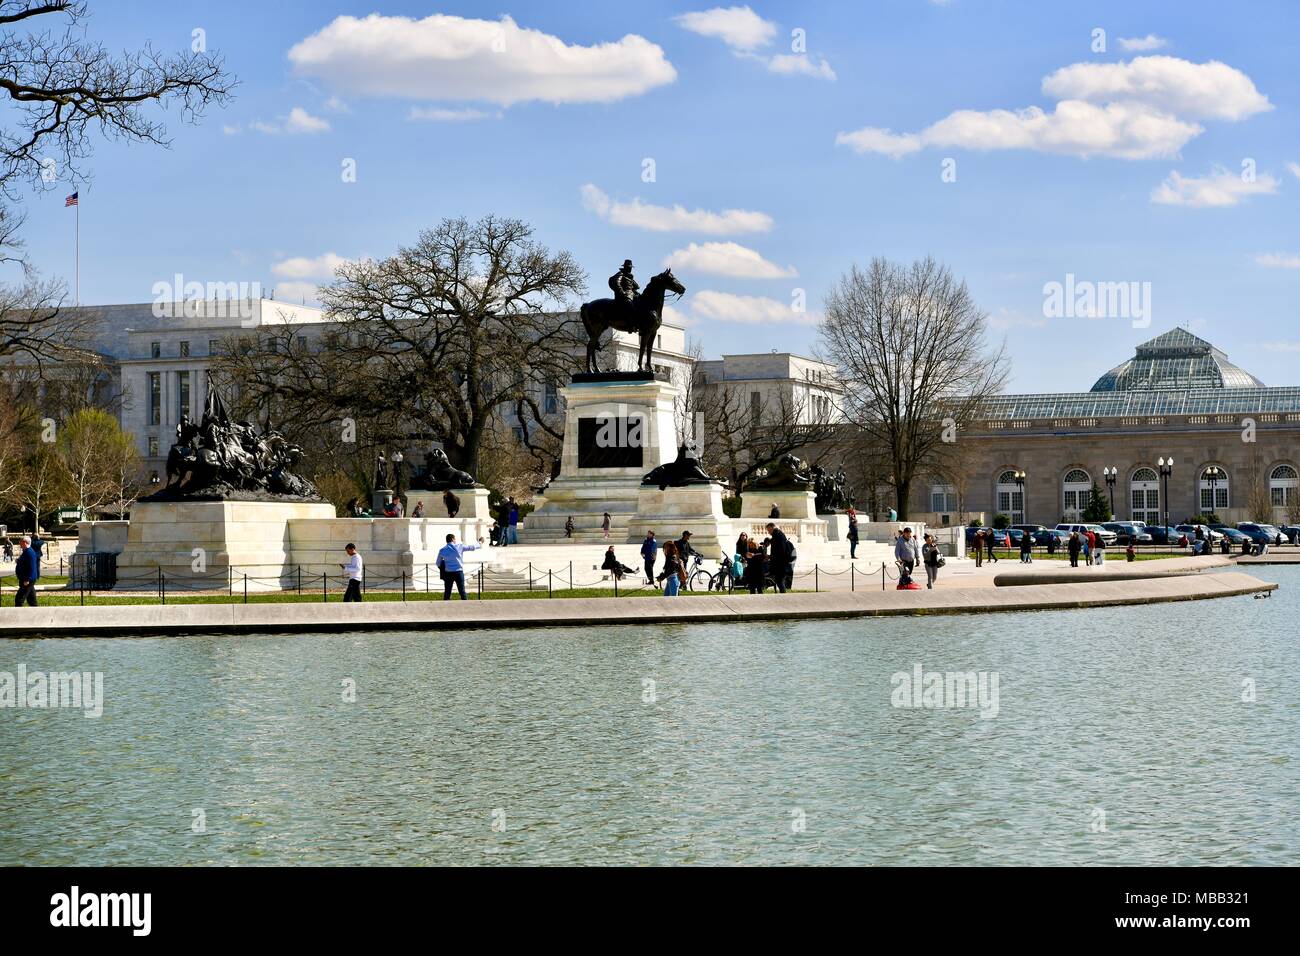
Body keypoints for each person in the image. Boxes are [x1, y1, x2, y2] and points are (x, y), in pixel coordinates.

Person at [437, 533, 483, 600]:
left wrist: (444, 568)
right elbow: (472, 547)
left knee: (447, 592)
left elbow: (438, 563)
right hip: (458, 572)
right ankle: (465, 605)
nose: (455, 540)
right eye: (455, 539)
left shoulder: (442, 550)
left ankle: (445, 605)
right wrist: (480, 542)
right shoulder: (459, 546)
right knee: (462, 591)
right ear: (452, 539)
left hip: (448, 573)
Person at [765, 522, 795, 592]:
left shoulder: (778, 536)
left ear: (772, 528)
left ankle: (783, 595)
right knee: (779, 580)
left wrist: (770, 556)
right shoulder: (777, 535)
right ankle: (783, 593)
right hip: (781, 562)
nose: (768, 532)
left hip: (781, 563)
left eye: (769, 530)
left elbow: (781, 551)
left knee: (779, 580)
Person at [13, 536, 37, 606]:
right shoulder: (26, 551)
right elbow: (25, 562)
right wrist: (19, 561)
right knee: (32, 601)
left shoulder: (29, 552)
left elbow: (32, 567)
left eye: (20, 542)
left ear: (25, 542)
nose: (19, 543)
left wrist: (27, 579)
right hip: (27, 579)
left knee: (19, 599)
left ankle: (17, 613)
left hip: (27, 580)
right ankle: (37, 611)